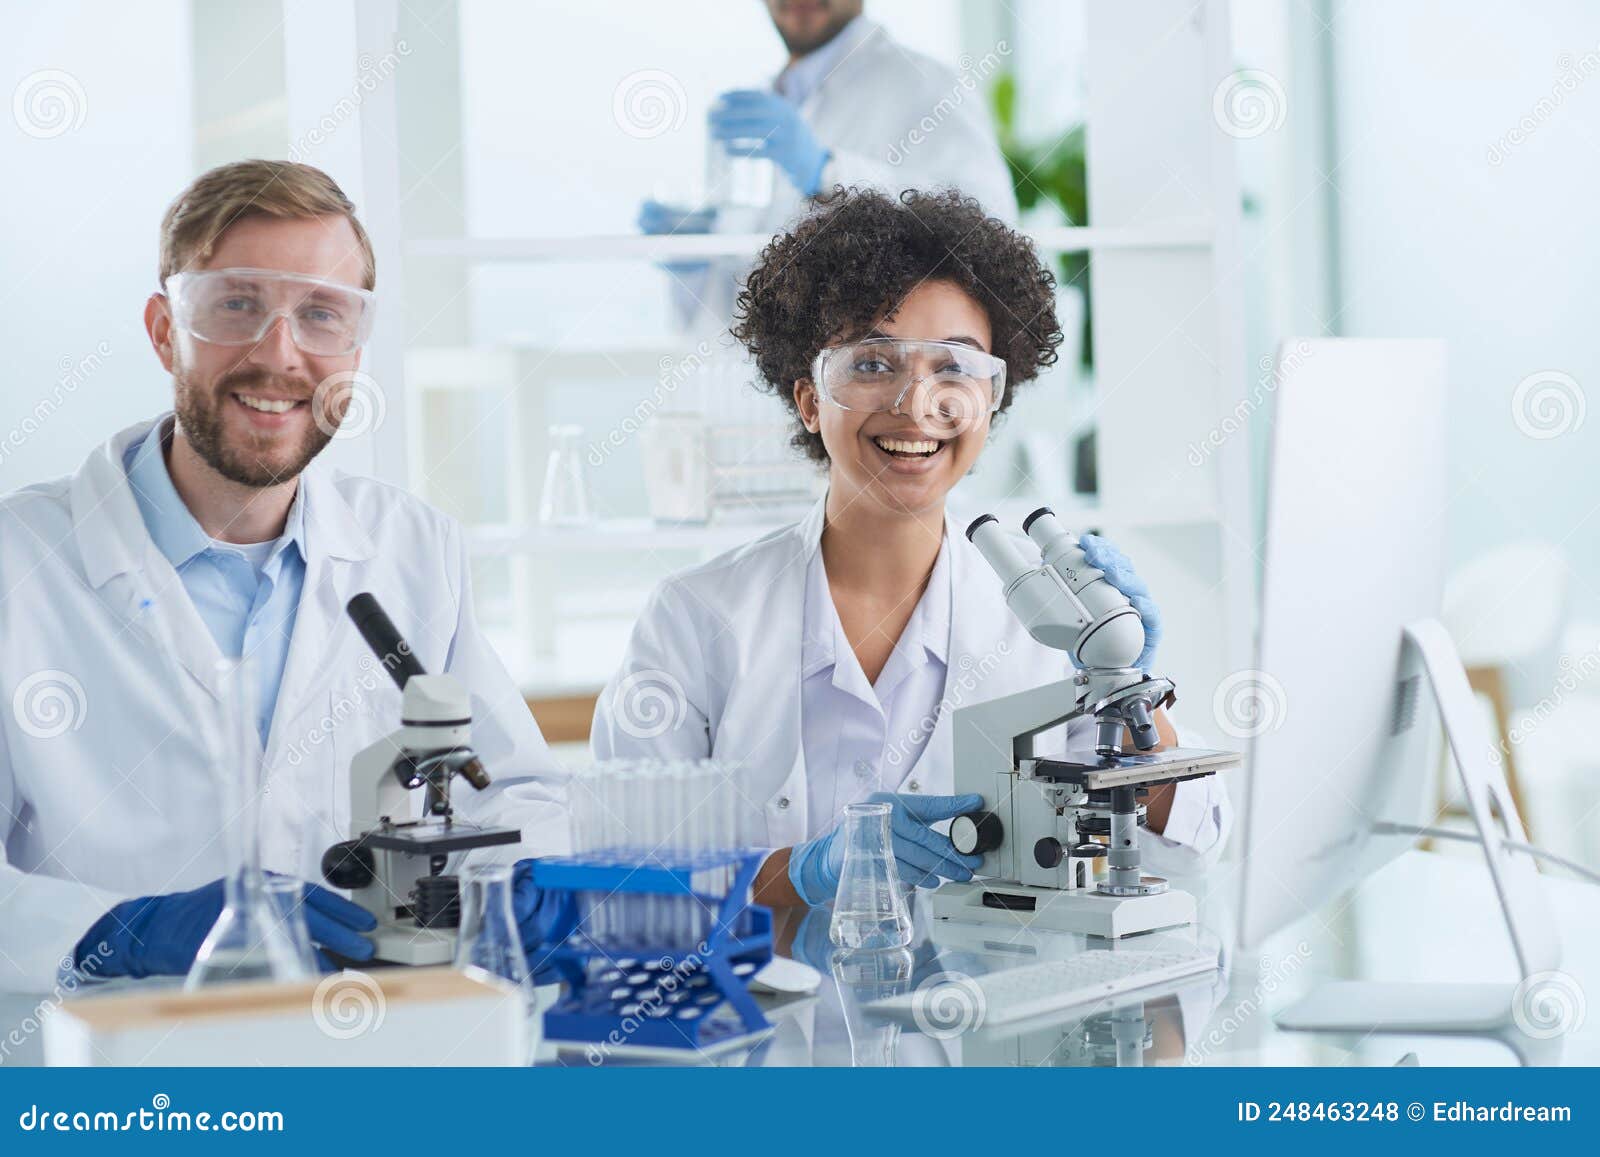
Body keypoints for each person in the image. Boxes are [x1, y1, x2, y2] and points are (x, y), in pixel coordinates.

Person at [0, 160, 565, 991]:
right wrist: (119, 929)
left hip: (371, 1036)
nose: (279, 355)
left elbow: (511, 791)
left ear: (356, 350)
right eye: (237, 304)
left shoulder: (413, 547)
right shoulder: (21, 564)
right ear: (163, 329)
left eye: (321, 314)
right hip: (121, 1051)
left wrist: (528, 881)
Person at [593, 188, 1231, 908]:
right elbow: (625, 877)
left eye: (955, 367)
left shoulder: (1051, 623)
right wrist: (801, 873)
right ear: (809, 399)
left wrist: (1129, 689)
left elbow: (1190, 847)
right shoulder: (696, 617)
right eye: (873, 364)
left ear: (992, 398)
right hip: (772, 985)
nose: (917, 405)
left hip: (995, 982)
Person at [639, 0, 1017, 250]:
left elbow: (991, 229)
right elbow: (739, 298)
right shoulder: (763, 106)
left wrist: (829, 173)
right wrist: (695, 258)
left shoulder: (931, 85)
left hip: (872, 348)